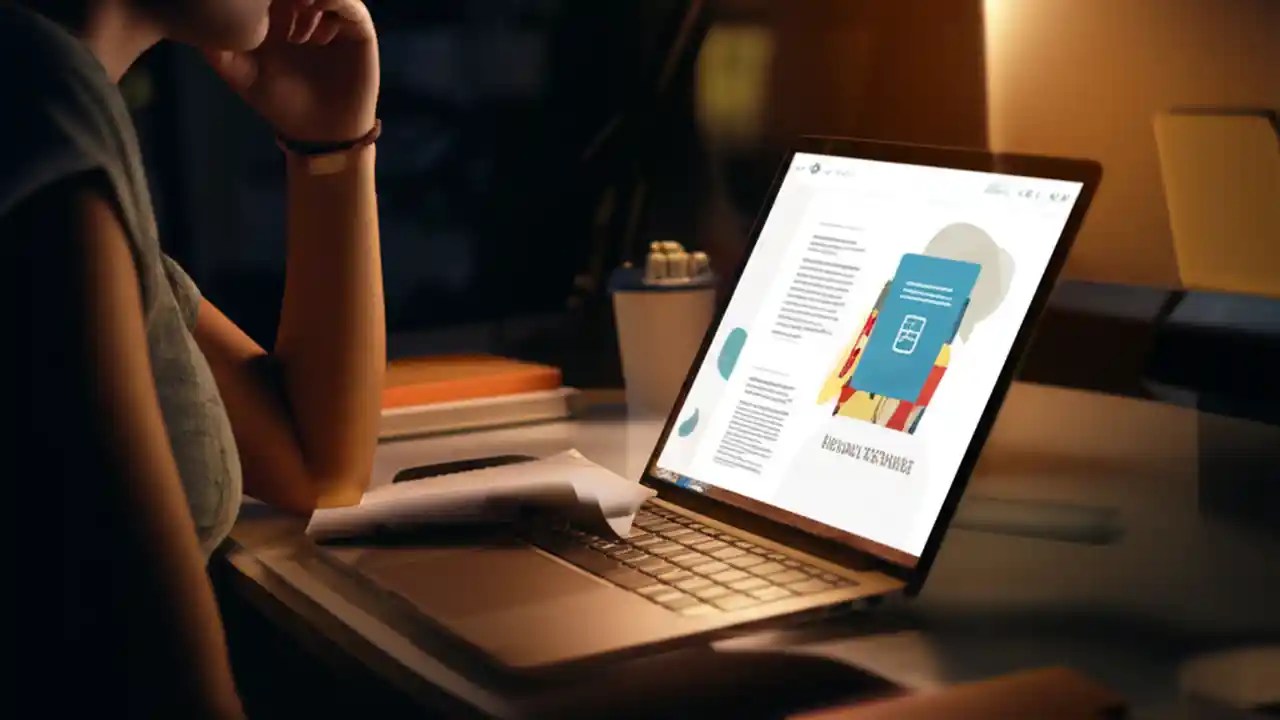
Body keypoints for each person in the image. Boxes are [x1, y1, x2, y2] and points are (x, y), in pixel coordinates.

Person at [3, 0, 383, 716]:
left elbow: (314, 465)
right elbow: (152, 675)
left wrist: (332, 142)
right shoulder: (31, 93)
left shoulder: (53, 110)